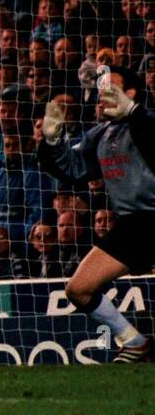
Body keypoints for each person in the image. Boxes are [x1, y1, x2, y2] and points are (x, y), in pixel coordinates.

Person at [38, 72, 153, 361]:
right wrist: (52, 143)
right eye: (101, 89)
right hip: (133, 225)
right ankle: (133, 340)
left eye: (112, 87)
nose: (103, 93)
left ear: (131, 93)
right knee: (78, 289)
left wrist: (134, 113)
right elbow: (74, 169)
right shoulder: (100, 134)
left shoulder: (149, 122)